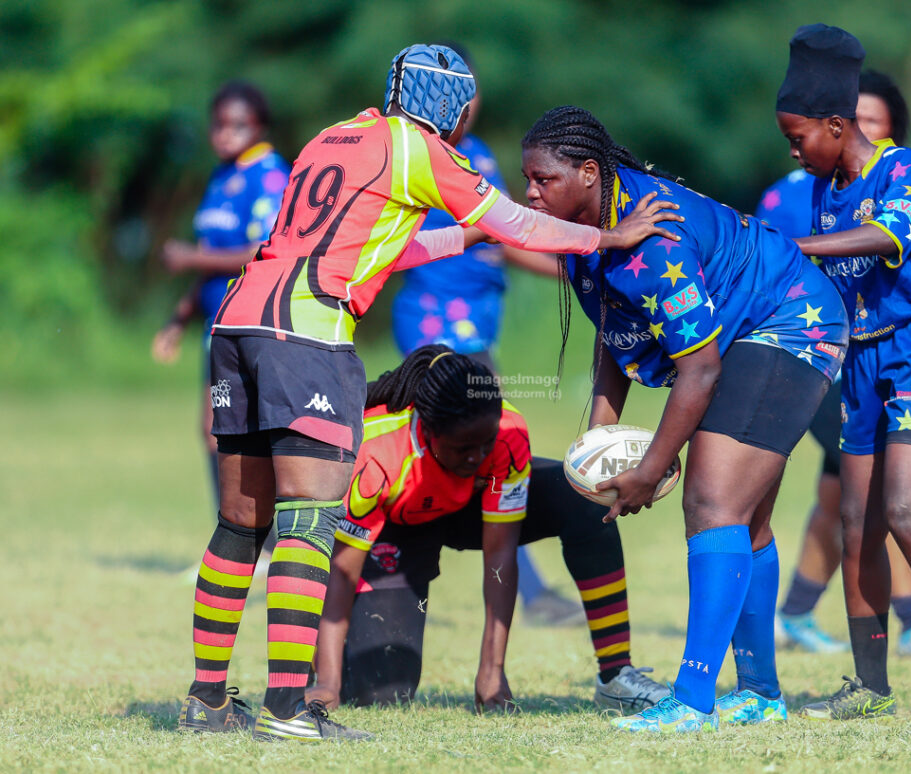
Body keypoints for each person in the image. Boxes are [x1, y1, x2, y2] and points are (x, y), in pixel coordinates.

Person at [177, 43, 682, 743]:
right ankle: (288, 711)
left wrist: (460, 237)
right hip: (306, 335)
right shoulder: (421, 149)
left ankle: (206, 701)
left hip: (238, 322)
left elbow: (375, 251)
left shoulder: (335, 137)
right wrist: (605, 236)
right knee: (307, 522)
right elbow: (520, 224)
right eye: (466, 109)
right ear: (450, 106)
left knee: (240, 522)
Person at [521, 106, 849, 734]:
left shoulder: (653, 245)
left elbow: (699, 371)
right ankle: (760, 694)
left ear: (589, 173)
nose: (531, 193)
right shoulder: (586, 232)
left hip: (791, 321)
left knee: (711, 501)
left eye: (544, 179)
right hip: (748, 330)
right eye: (527, 179)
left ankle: (693, 700)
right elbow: (616, 333)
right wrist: (599, 436)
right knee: (744, 516)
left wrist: (649, 469)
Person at [775, 23, 911, 720]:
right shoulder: (825, 187)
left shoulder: (903, 170)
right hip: (861, 360)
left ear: (837, 126)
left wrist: (792, 248)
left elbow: (885, 236)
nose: (793, 151)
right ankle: (869, 685)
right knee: (855, 521)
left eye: (798, 137)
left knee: (902, 509)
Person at [307, 345, 671, 713]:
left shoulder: (506, 432)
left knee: (586, 504)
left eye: (485, 445)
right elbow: (341, 574)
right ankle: (311, 663)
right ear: (428, 429)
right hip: (399, 525)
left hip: (469, 508)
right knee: (380, 694)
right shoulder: (376, 452)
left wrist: (492, 670)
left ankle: (615, 673)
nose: (477, 457)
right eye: (463, 448)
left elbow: (500, 554)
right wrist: (327, 683)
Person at [390, 44, 581, 628]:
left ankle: (397, 569)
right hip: (437, 317)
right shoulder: (422, 156)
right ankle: (529, 593)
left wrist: (570, 270)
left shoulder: (479, 157)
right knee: (489, 439)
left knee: (473, 443)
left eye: (471, 91)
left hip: (477, 315)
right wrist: (588, 251)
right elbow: (501, 233)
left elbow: (501, 237)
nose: (467, 103)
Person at [151, 81, 290, 508]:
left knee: (252, 430)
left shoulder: (269, 174)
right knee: (214, 428)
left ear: (260, 126)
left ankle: (263, 532)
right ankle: (233, 530)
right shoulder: (221, 176)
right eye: (219, 124)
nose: (226, 133)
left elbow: (263, 250)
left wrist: (189, 257)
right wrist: (179, 317)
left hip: (255, 321)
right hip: (217, 323)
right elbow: (210, 260)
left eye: (238, 125)